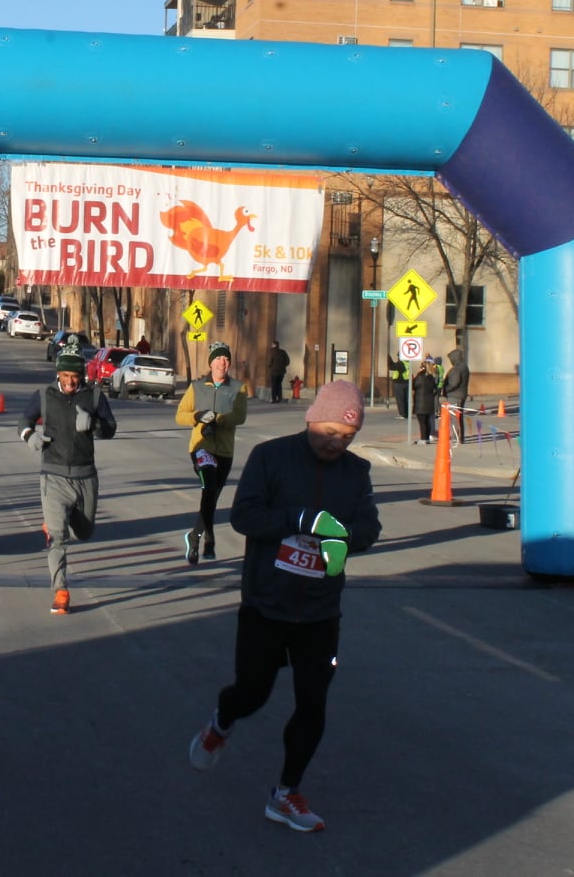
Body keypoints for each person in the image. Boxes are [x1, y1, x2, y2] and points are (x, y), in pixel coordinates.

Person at [186, 379, 381, 833]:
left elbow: (369, 526)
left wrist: (344, 539)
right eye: (330, 432)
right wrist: (298, 520)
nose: (337, 443)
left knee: (313, 705)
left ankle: (286, 793)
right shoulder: (271, 457)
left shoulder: (356, 472)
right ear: (312, 418)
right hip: (266, 604)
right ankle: (222, 721)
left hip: (320, 612)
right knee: (252, 693)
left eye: (347, 437)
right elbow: (243, 516)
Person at [18, 344, 117, 614]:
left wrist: (94, 426)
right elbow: (24, 421)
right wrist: (30, 436)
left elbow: (110, 429)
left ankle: (61, 522)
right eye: (65, 375)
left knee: (83, 532)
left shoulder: (94, 397)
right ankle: (60, 590)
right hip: (54, 475)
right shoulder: (44, 395)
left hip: (85, 475)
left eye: (75, 376)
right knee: (58, 539)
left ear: (82, 374)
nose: (71, 381)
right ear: (58, 374)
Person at [175, 340, 249, 565]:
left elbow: (240, 416)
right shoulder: (196, 387)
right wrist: (197, 416)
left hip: (225, 450)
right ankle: (206, 539)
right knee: (209, 488)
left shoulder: (239, 388)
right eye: (218, 358)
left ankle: (194, 536)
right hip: (202, 447)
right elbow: (180, 415)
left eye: (226, 358)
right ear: (211, 363)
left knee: (212, 497)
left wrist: (218, 418)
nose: (222, 363)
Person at [442, 347, 470, 445]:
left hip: (455, 395)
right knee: (458, 417)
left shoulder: (458, 368)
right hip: (460, 394)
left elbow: (454, 382)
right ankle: (459, 437)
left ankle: (457, 437)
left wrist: (446, 389)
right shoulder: (463, 366)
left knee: (455, 417)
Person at [411, 359, 438, 444]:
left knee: (422, 422)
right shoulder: (432, 377)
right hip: (429, 402)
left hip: (420, 403)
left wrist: (414, 377)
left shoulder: (420, 376)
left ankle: (423, 439)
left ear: (423, 367)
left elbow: (414, 386)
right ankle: (426, 438)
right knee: (427, 421)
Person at [387, 354, 410, 420]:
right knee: (406, 399)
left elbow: (392, 367)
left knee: (400, 400)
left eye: (398, 356)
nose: (398, 357)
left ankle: (402, 414)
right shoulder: (407, 363)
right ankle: (406, 413)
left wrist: (389, 359)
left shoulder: (400, 363)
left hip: (399, 383)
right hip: (406, 382)